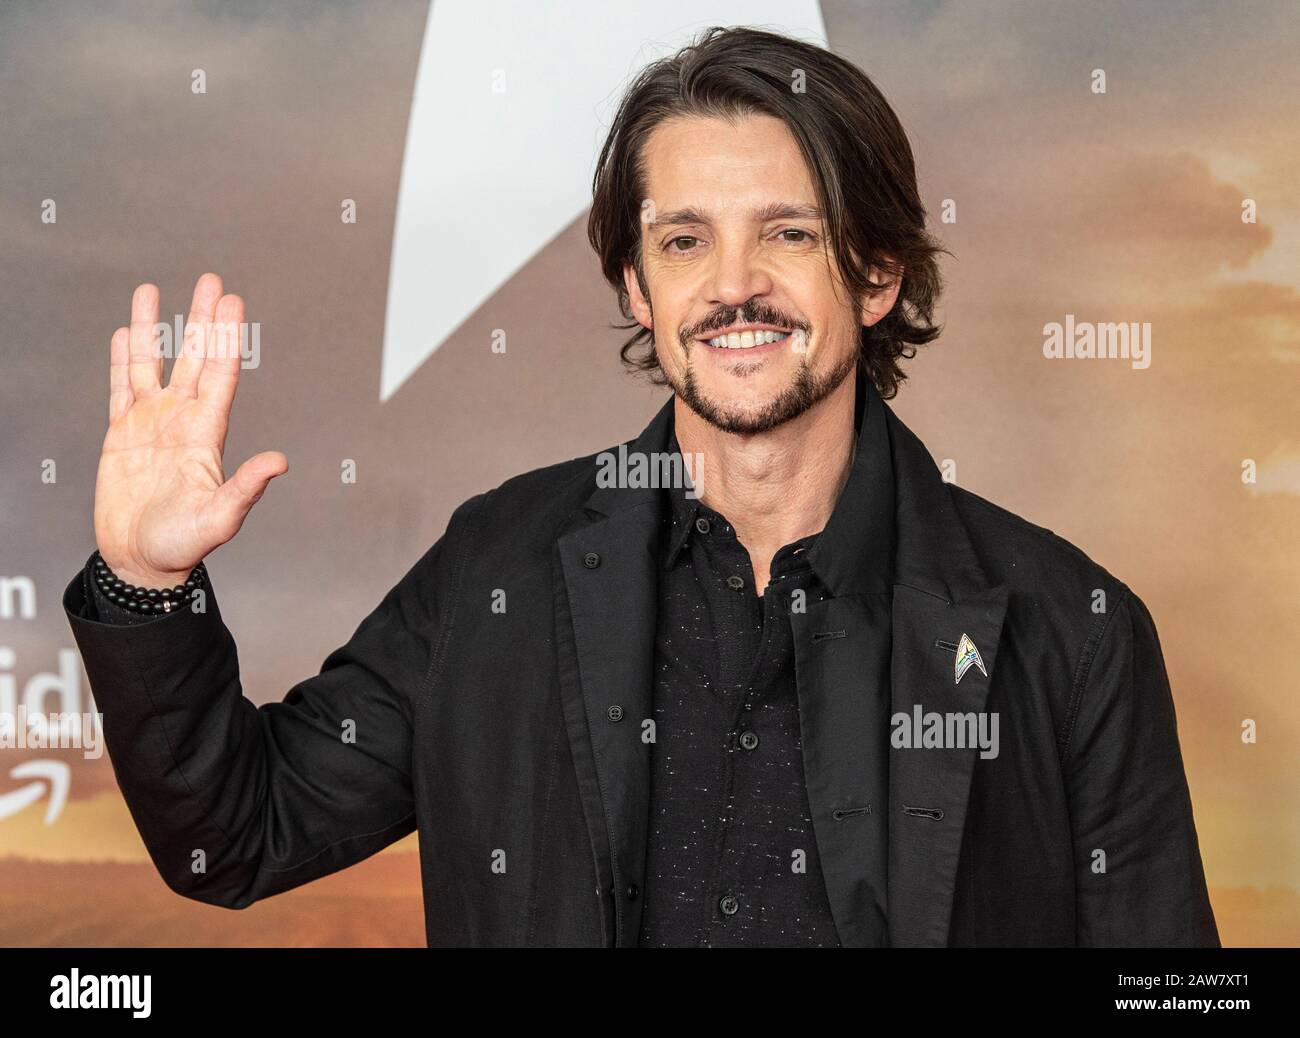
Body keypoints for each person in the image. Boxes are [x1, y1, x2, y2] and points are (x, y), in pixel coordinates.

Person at [64, 26, 1218, 947]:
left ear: (874, 273)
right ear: (634, 287)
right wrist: (144, 580)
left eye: (788, 234)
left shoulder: (1072, 630)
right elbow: (237, 835)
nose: (734, 286)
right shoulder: (497, 566)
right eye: (682, 243)